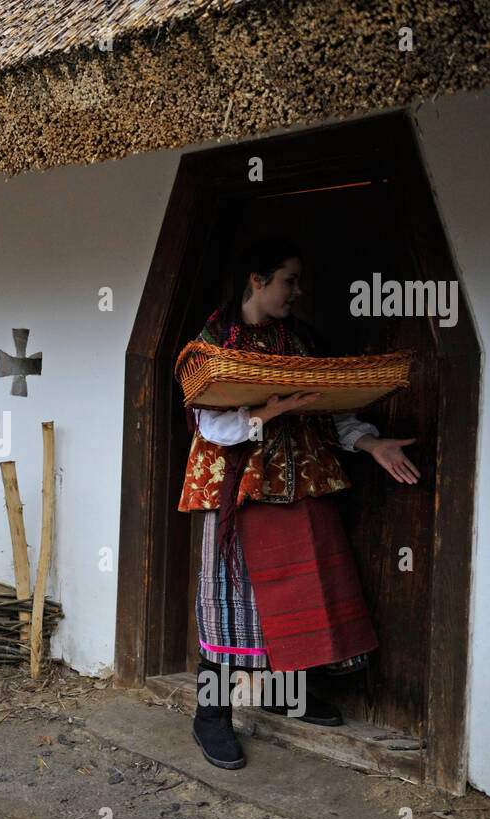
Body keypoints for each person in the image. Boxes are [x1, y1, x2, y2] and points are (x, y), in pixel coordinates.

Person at [178, 237, 420, 769]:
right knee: (233, 605)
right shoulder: (213, 342)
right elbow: (211, 423)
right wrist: (270, 411)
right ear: (257, 281)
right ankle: (211, 716)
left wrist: (369, 442)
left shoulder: (301, 341)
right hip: (241, 491)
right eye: (289, 279)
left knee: (305, 591)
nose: (298, 290)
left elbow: (329, 408)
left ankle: (293, 696)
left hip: (304, 481)